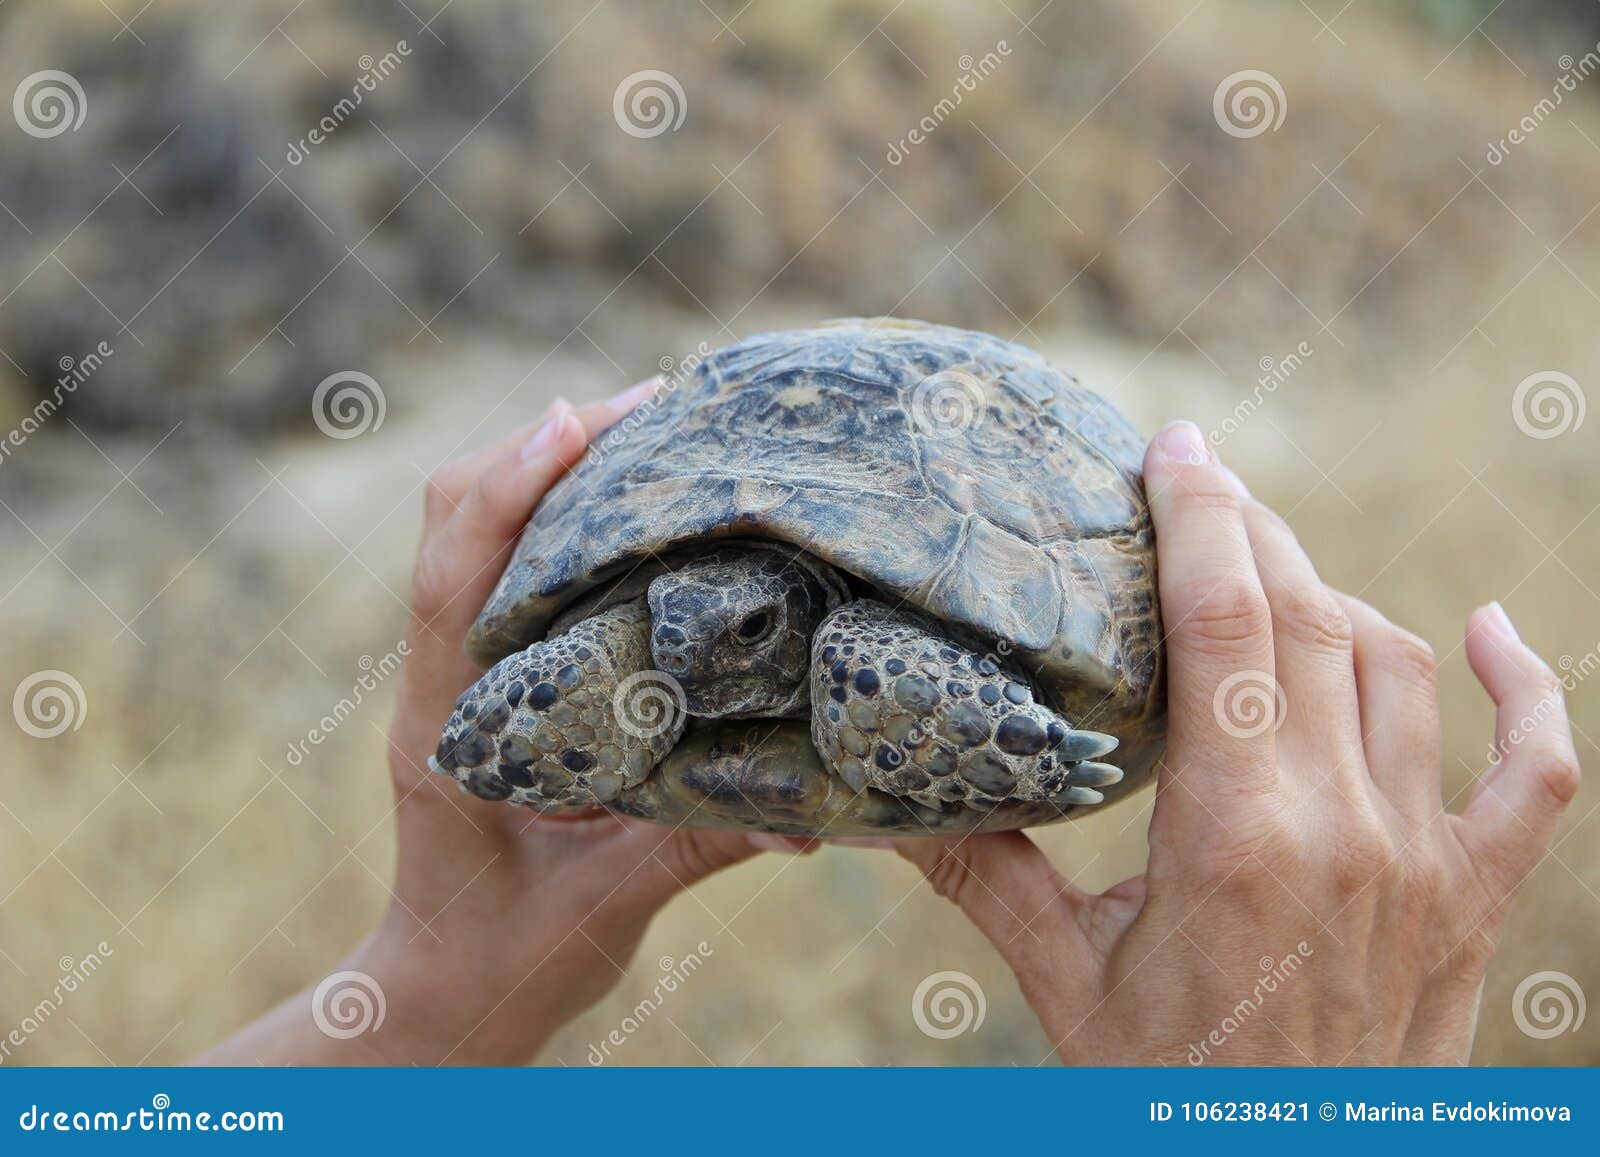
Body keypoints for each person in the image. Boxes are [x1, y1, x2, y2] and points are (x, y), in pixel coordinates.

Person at [201, 384, 1580, 1065]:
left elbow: (857, 645)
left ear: (797, 613)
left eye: (745, 631)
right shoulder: (654, 638)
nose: (689, 654)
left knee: (869, 661)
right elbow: (634, 643)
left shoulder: (862, 647)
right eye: (665, 624)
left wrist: (420, 1002)